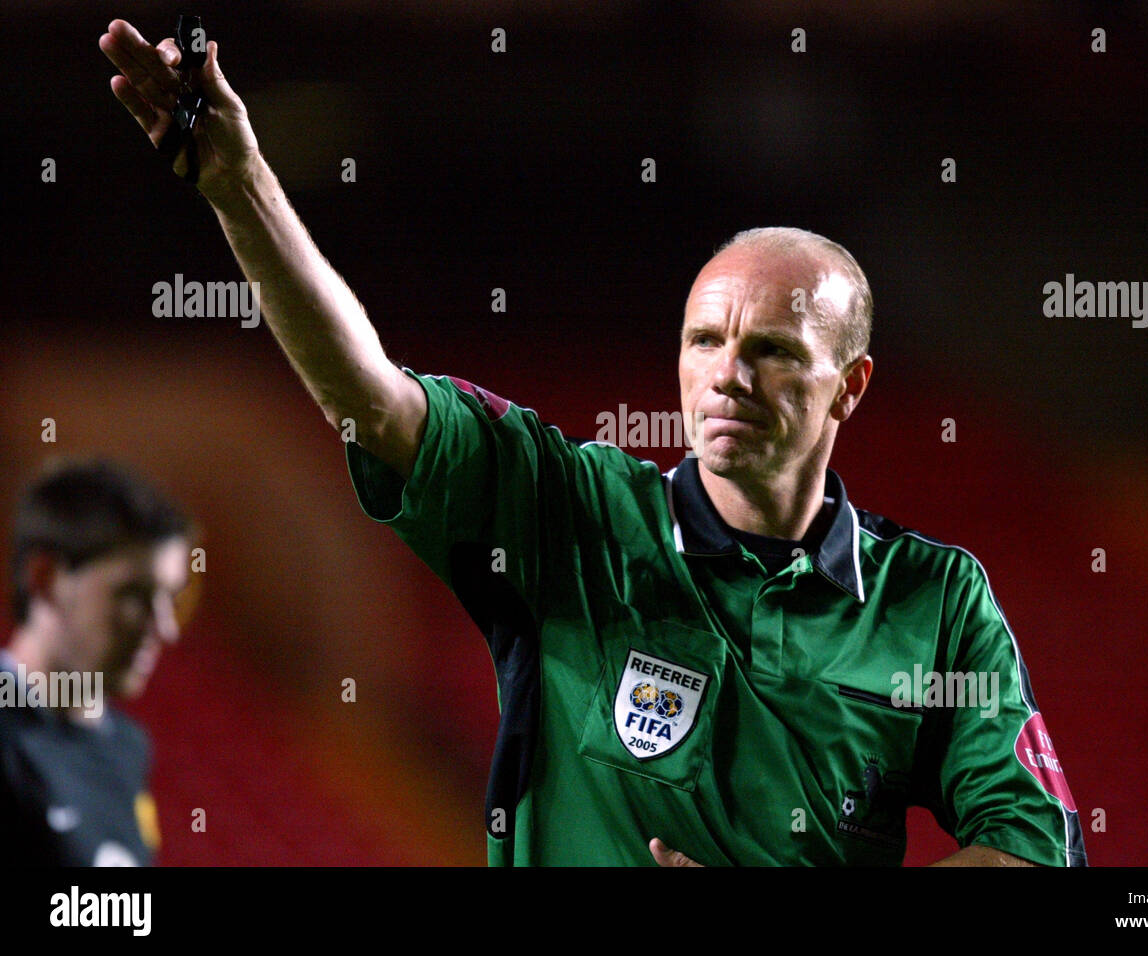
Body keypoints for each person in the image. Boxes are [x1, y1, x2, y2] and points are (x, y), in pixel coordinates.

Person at [98, 18, 1087, 866]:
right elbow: (375, 398)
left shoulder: (933, 601)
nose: (728, 373)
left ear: (849, 387)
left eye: (774, 349)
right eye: (706, 339)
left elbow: (1038, 841)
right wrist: (242, 187)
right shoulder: (569, 514)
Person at [0, 458, 193, 866]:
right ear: (45, 577)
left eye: (170, 598)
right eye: (133, 595)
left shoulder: (127, 747)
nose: (165, 628)